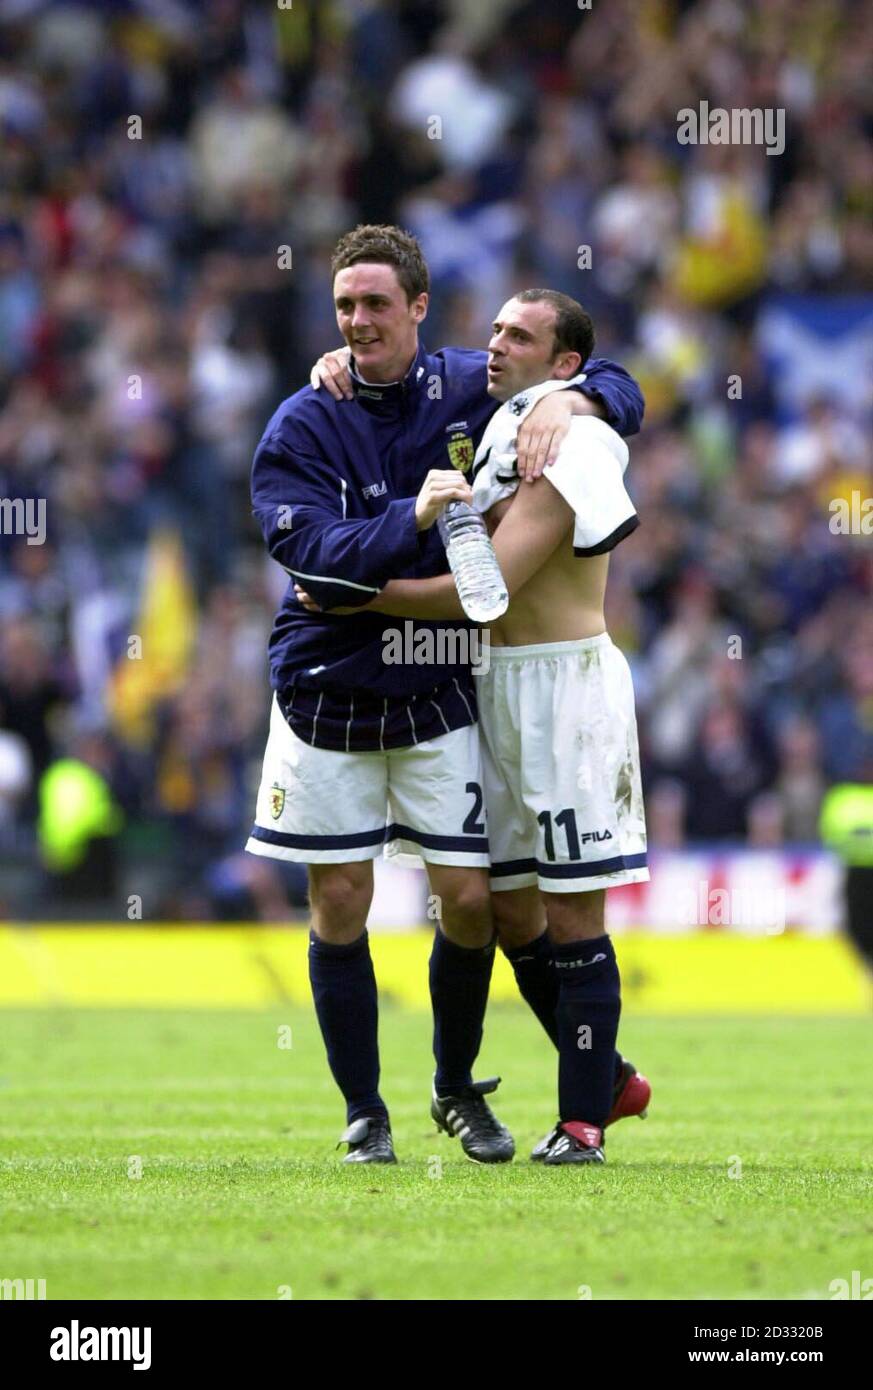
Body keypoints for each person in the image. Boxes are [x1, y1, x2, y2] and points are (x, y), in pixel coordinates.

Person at [247, 225, 644, 1164]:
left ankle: (458, 1088)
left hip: (438, 682)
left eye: (377, 303)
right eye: (345, 306)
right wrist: (407, 518)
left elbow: (619, 381)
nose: (358, 321)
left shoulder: (473, 385)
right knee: (340, 897)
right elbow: (304, 551)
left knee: (471, 903)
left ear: (419, 308)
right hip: (326, 682)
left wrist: (578, 395)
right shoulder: (301, 420)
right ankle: (363, 1113)